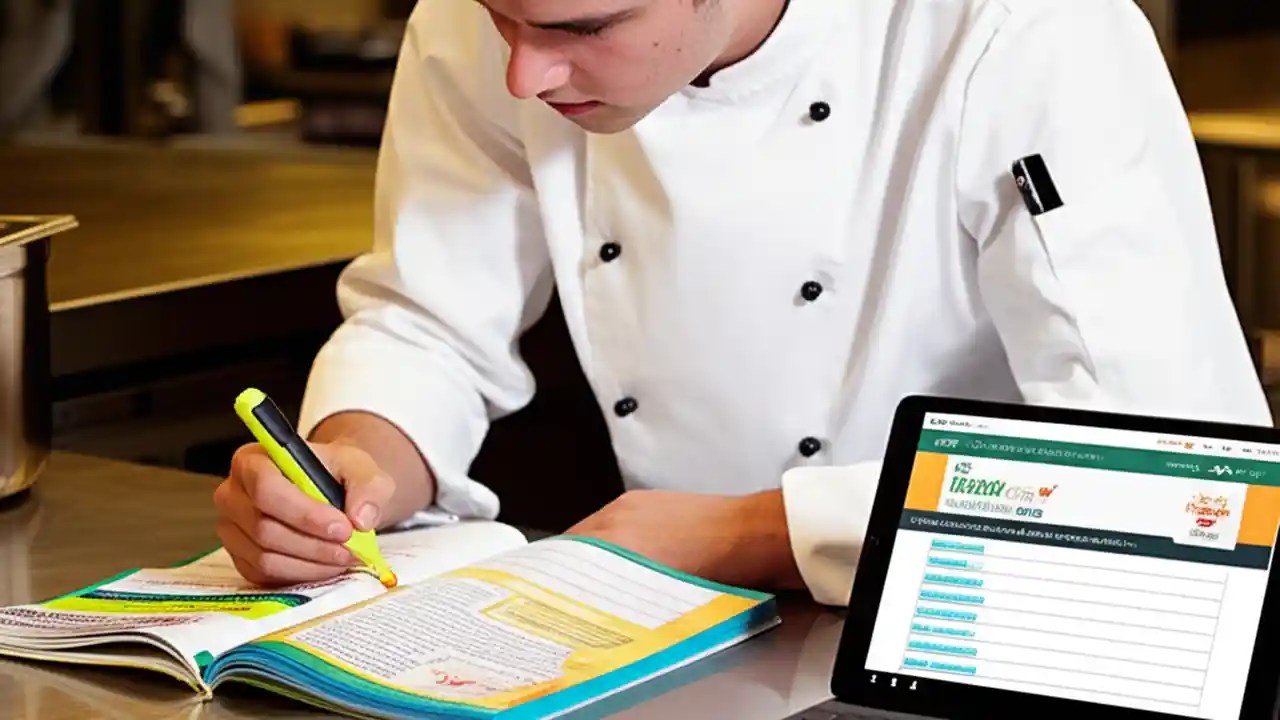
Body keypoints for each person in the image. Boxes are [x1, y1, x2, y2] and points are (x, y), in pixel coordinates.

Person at [213, 0, 1272, 605]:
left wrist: (747, 535)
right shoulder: (479, 27)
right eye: (502, 19)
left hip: (970, 628)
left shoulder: (1020, 31)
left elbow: (1175, 481)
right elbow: (428, 318)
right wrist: (356, 460)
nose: (526, 73)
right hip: (664, 631)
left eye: (580, 25)